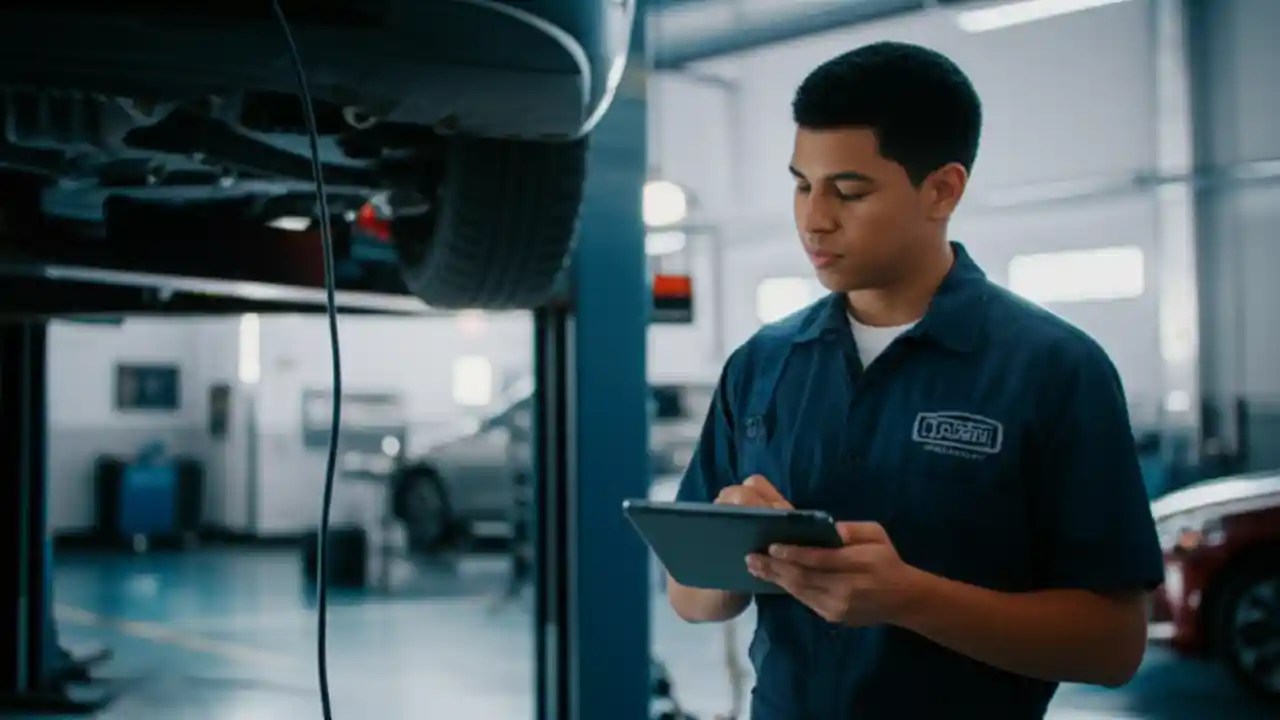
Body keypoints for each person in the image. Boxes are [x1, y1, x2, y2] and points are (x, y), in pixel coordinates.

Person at [668, 41, 1164, 718]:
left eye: (849, 190)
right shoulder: (763, 364)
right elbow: (689, 598)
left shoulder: (1053, 371)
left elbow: (1113, 645)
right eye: (802, 184)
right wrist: (735, 551)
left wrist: (910, 598)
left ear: (942, 190)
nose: (814, 218)